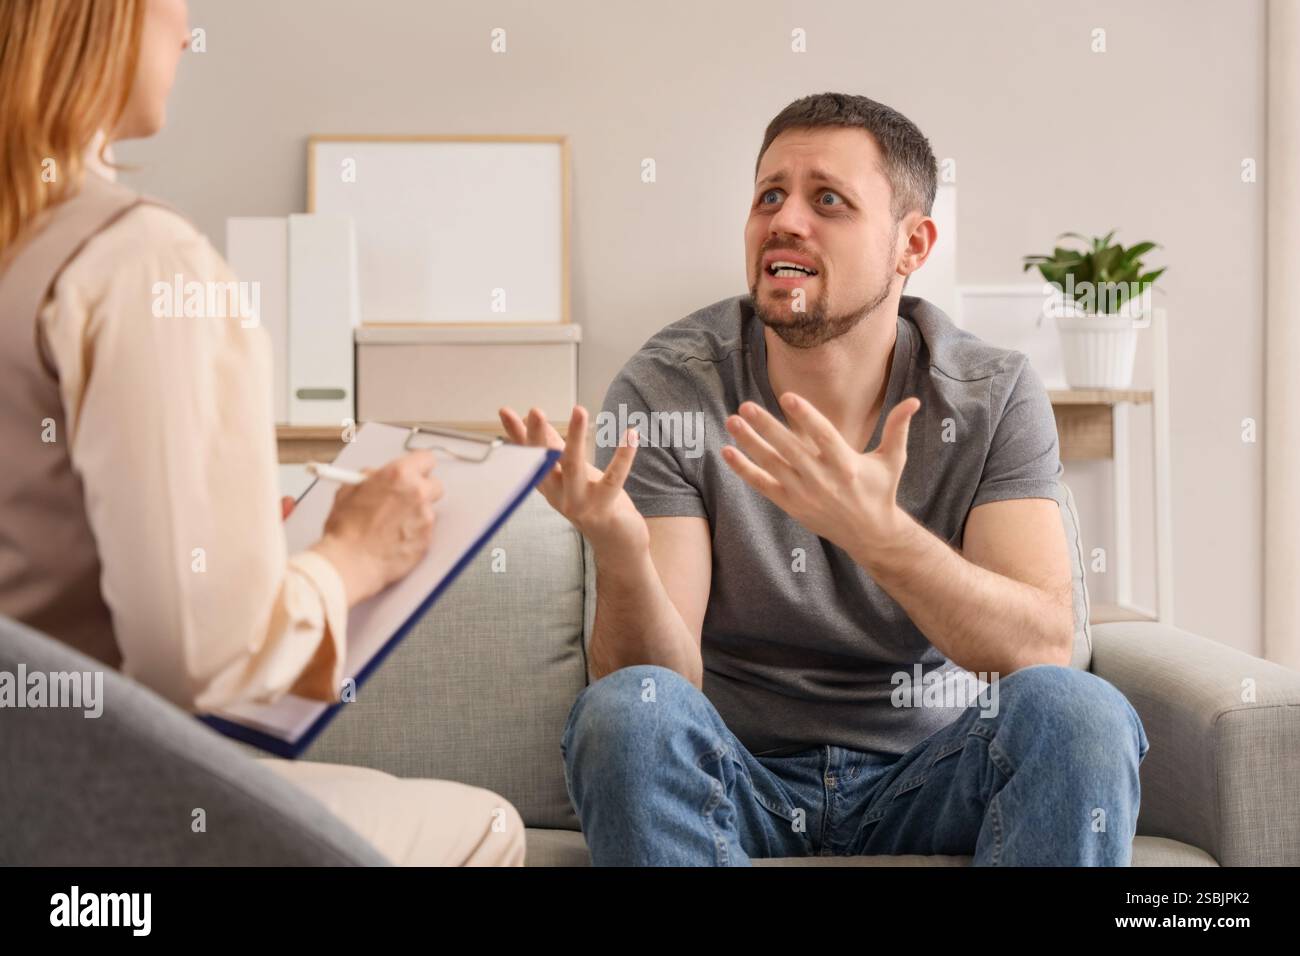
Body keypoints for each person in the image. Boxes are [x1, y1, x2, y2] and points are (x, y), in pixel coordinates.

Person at [501, 92, 1148, 866]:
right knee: (629, 712)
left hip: (934, 774)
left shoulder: (991, 393)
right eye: (769, 194)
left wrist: (878, 537)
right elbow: (660, 681)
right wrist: (619, 547)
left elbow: (1039, 645)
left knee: (1078, 711)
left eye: (828, 200)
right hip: (739, 779)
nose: (785, 220)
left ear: (912, 244)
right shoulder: (670, 387)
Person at [0, 0, 523, 866]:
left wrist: (239, 555)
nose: (185, 25)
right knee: (488, 826)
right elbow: (201, 663)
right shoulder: (140, 263)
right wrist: (352, 556)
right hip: (84, 818)